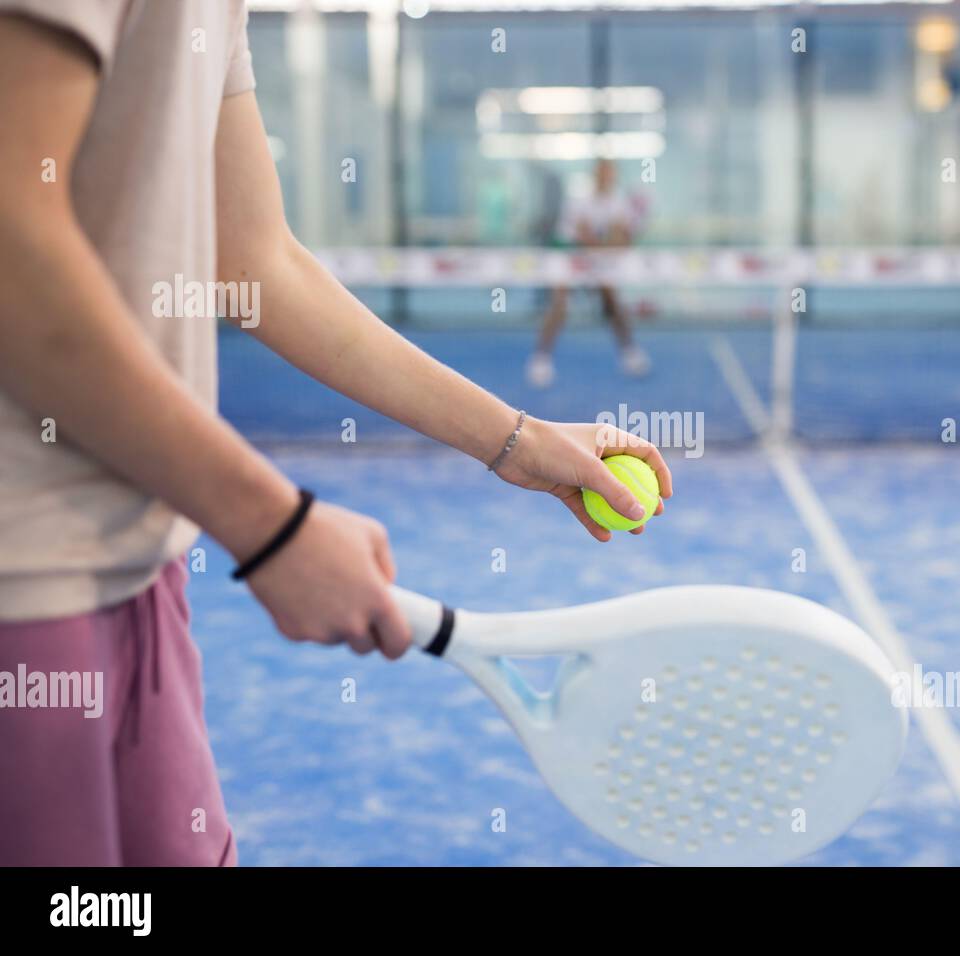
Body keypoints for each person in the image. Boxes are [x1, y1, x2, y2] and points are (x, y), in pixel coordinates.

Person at [0, 2, 671, 866]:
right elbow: (15, 251)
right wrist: (270, 525)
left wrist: (518, 439)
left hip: (136, 568)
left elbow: (255, 262)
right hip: (23, 596)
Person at [525, 159, 651, 388]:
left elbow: (621, 238)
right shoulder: (579, 202)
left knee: (611, 300)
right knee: (560, 305)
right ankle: (540, 360)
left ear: (613, 176)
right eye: (602, 173)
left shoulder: (617, 204)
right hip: (565, 251)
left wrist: (620, 239)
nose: (605, 177)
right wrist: (610, 245)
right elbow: (587, 237)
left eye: (609, 173)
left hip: (595, 255)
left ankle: (630, 353)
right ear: (595, 175)